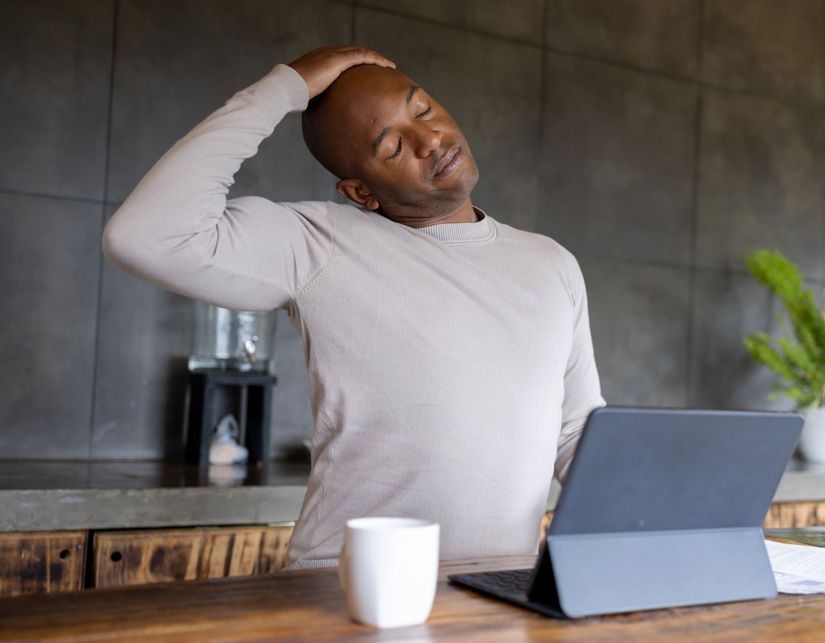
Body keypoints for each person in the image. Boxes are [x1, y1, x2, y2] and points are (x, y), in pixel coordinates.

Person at [103, 46, 606, 569]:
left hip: (499, 596)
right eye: (393, 147)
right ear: (360, 191)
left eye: (423, 109)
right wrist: (286, 87)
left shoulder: (552, 264)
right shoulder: (316, 245)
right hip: (346, 591)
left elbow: (575, 431)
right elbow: (142, 236)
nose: (429, 140)